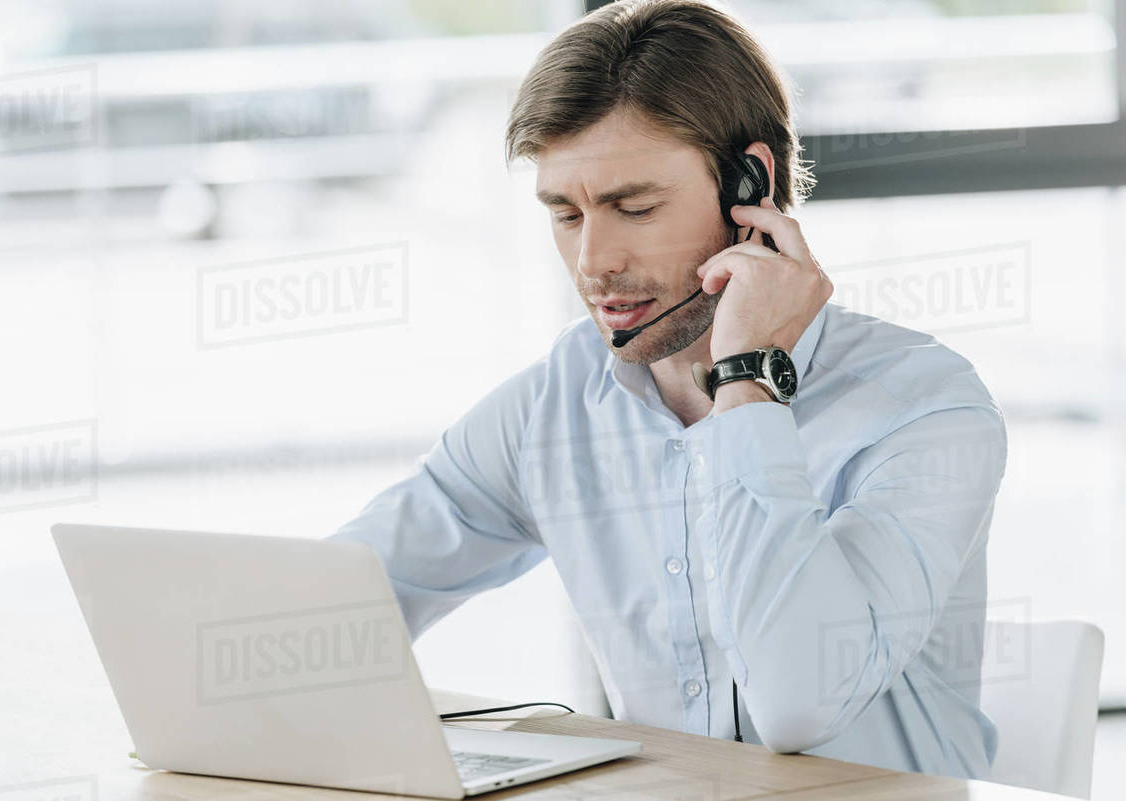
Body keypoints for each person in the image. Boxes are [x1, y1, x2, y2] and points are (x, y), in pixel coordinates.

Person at [329, 0, 1006, 780]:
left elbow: (799, 700)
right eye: (565, 214)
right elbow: (342, 601)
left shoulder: (924, 407)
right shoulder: (557, 403)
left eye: (634, 207)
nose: (593, 261)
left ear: (752, 185)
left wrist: (749, 378)